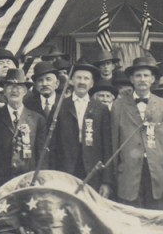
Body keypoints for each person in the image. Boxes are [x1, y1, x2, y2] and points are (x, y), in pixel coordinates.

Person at [111, 59, 163, 209]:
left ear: (152, 79)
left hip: (158, 176)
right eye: (138, 76)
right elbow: (113, 143)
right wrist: (113, 177)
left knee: (157, 220)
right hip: (128, 176)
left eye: (146, 75)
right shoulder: (119, 105)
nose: (142, 79)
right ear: (131, 79)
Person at [40, 59, 113, 191]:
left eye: (86, 78)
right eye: (78, 77)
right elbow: (51, 145)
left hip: (92, 169)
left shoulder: (100, 109)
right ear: (71, 81)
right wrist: (51, 175)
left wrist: (106, 182)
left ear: (92, 83)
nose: (82, 82)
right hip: (66, 168)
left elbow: (107, 147)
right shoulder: (60, 106)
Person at [0, 67, 42, 201]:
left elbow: (41, 154)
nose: (14, 90)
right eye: (10, 86)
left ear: (25, 91)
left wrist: (40, 179)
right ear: (3, 90)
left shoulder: (37, 119)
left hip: (27, 181)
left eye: (19, 87)